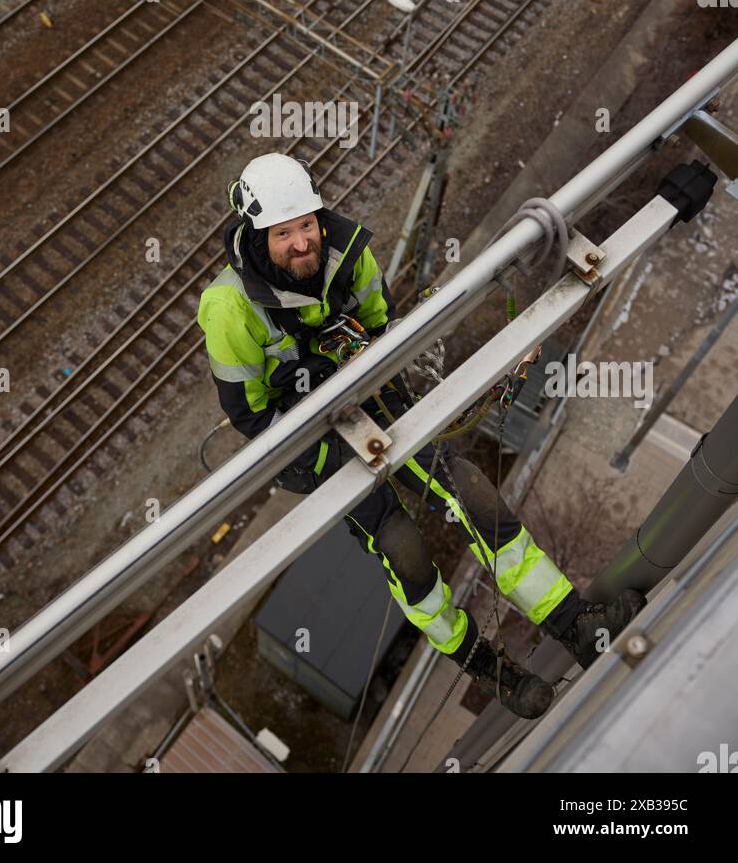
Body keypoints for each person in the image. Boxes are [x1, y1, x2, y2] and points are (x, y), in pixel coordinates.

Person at [197, 152, 646, 718]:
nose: (302, 243)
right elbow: (251, 418)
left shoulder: (347, 255)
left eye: (306, 225)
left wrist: (362, 364)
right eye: (284, 233)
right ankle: (490, 669)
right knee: (403, 551)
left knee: (473, 494)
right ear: (259, 236)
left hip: (372, 395)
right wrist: (305, 404)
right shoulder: (229, 309)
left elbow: (382, 331)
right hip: (312, 442)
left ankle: (574, 624)